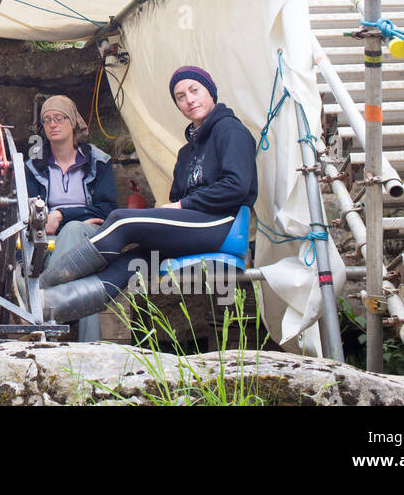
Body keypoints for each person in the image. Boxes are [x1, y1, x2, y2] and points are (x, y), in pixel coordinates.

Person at [38, 66, 258, 325]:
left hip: (223, 224)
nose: (189, 99)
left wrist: (181, 205)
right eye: (180, 96)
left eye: (194, 90)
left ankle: (38, 285)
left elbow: (236, 186)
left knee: (122, 221)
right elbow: (178, 196)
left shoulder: (230, 131)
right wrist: (172, 211)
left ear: (210, 92)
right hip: (195, 225)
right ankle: (45, 307)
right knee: (129, 263)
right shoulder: (187, 152)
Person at [25, 95, 118, 341]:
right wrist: (48, 220)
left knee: (75, 229)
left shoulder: (98, 161)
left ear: (73, 121)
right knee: (83, 282)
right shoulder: (33, 166)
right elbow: (29, 211)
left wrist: (62, 215)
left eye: (59, 118)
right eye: (47, 120)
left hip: (90, 235)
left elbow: (108, 209)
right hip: (46, 240)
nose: (53, 124)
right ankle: (90, 346)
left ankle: (44, 297)